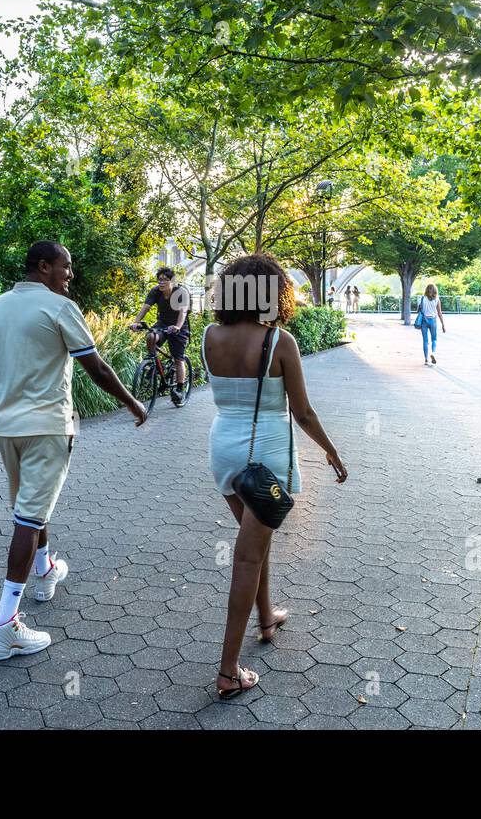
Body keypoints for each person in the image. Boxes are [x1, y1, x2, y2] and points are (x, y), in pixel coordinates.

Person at [0, 241, 147, 661]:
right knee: (28, 517)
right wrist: (132, 402)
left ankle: (43, 572)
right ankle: (5, 627)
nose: (70, 275)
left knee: (31, 506)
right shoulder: (60, 308)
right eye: (66, 267)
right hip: (48, 428)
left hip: (6, 429)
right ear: (43, 266)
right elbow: (95, 366)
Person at [201, 253, 348, 699]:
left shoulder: (209, 336)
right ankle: (228, 672)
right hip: (267, 453)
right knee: (248, 556)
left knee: (254, 544)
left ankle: (266, 620)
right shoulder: (279, 341)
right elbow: (301, 412)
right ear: (272, 292)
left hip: (224, 448)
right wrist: (330, 449)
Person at [130, 267, 191, 404]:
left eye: (165, 280)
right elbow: (146, 307)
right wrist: (135, 322)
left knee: (178, 359)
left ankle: (180, 389)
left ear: (172, 281)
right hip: (162, 323)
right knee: (151, 336)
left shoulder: (181, 292)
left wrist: (177, 327)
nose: (161, 282)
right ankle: (153, 362)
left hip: (178, 326)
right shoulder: (155, 291)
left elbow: (183, 312)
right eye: (160, 280)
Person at [419, 283, 442, 364]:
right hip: (433, 321)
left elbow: (419, 310)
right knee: (434, 339)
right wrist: (443, 325)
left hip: (424, 321)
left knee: (425, 341)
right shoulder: (437, 299)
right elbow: (439, 313)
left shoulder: (422, 298)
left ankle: (426, 360)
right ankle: (433, 353)